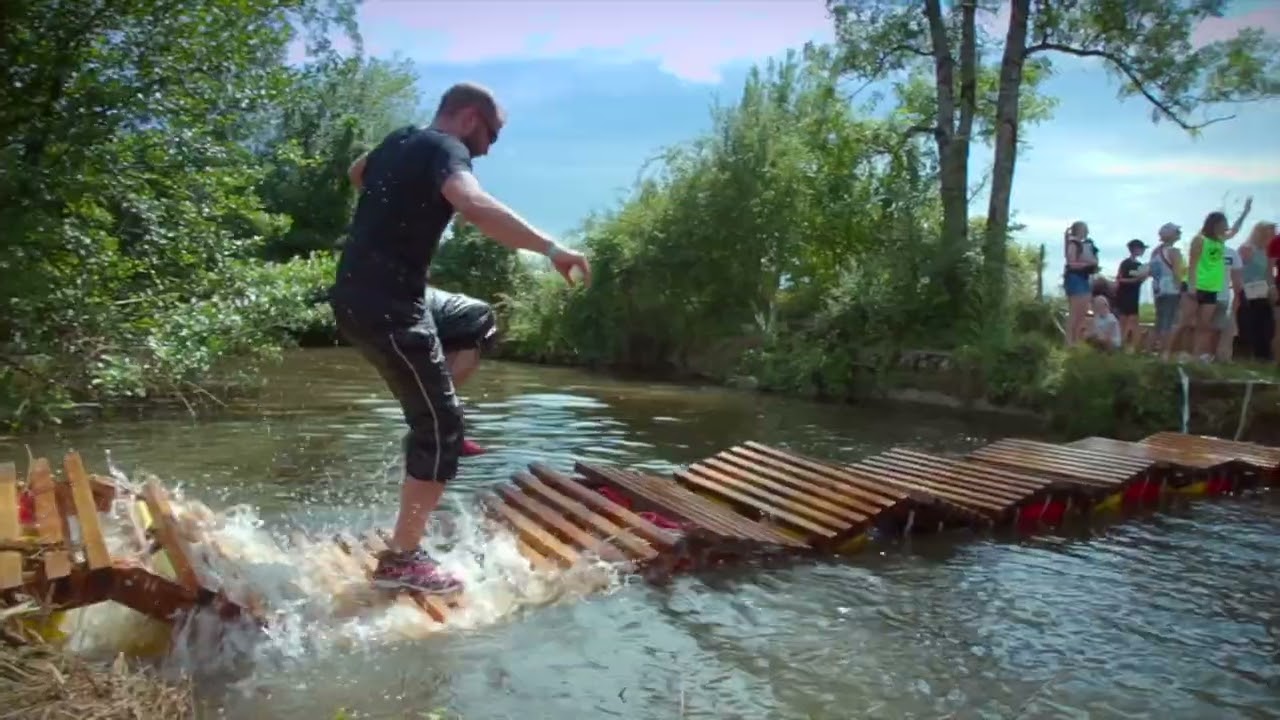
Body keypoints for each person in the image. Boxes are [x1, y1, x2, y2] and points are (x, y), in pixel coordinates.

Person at [329, 83, 592, 593]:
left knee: (474, 320)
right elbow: (472, 204)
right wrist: (551, 249)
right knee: (441, 428)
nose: (489, 148)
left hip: (371, 295)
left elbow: (357, 173)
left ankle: (432, 420)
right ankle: (402, 560)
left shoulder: (400, 141)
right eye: (492, 135)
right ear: (470, 117)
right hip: (388, 306)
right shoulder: (446, 148)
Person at [1186, 198, 1252, 360]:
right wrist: (1192, 286)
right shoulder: (1202, 242)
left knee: (1212, 328)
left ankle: (1206, 357)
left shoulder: (1226, 248)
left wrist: (1245, 213)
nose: (1226, 227)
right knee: (1199, 326)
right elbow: (1192, 265)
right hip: (1204, 290)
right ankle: (1194, 356)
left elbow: (1234, 230)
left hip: (1219, 294)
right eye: (1223, 224)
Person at [1237, 221, 1277, 361]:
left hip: (1264, 290)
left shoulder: (1268, 253)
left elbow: (1268, 273)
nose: (1274, 235)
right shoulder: (1248, 248)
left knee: (1268, 325)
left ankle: (1264, 357)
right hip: (1249, 289)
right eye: (1271, 232)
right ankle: (1254, 356)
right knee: (1253, 324)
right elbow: (1237, 271)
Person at [1148, 223, 1185, 355]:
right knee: (1170, 322)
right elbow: (1177, 273)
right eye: (1177, 232)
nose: (1179, 234)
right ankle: (1165, 352)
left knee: (1159, 320)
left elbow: (1151, 271)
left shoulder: (1155, 252)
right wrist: (1181, 289)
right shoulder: (1174, 252)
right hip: (1171, 289)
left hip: (1158, 289)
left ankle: (1150, 350)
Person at [1063, 221, 1099, 346]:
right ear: (1079, 230)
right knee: (1075, 311)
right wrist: (1087, 265)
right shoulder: (1073, 244)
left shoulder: (1085, 245)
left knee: (1082, 311)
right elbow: (1071, 263)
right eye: (1085, 229)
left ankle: (1076, 340)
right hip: (1075, 278)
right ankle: (1069, 341)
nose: (1087, 232)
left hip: (1084, 278)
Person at [1113, 239, 1149, 349]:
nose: (1142, 251)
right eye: (1141, 249)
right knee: (1123, 320)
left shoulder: (1140, 265)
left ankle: (1131, 345)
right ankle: (1119, 343)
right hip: (1124, 294)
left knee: (1133, 320)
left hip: (1134, 295)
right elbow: (1120, 279)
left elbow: (1140, 281)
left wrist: (1143, 277)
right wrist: (1134, 280)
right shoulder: (1125, 263)